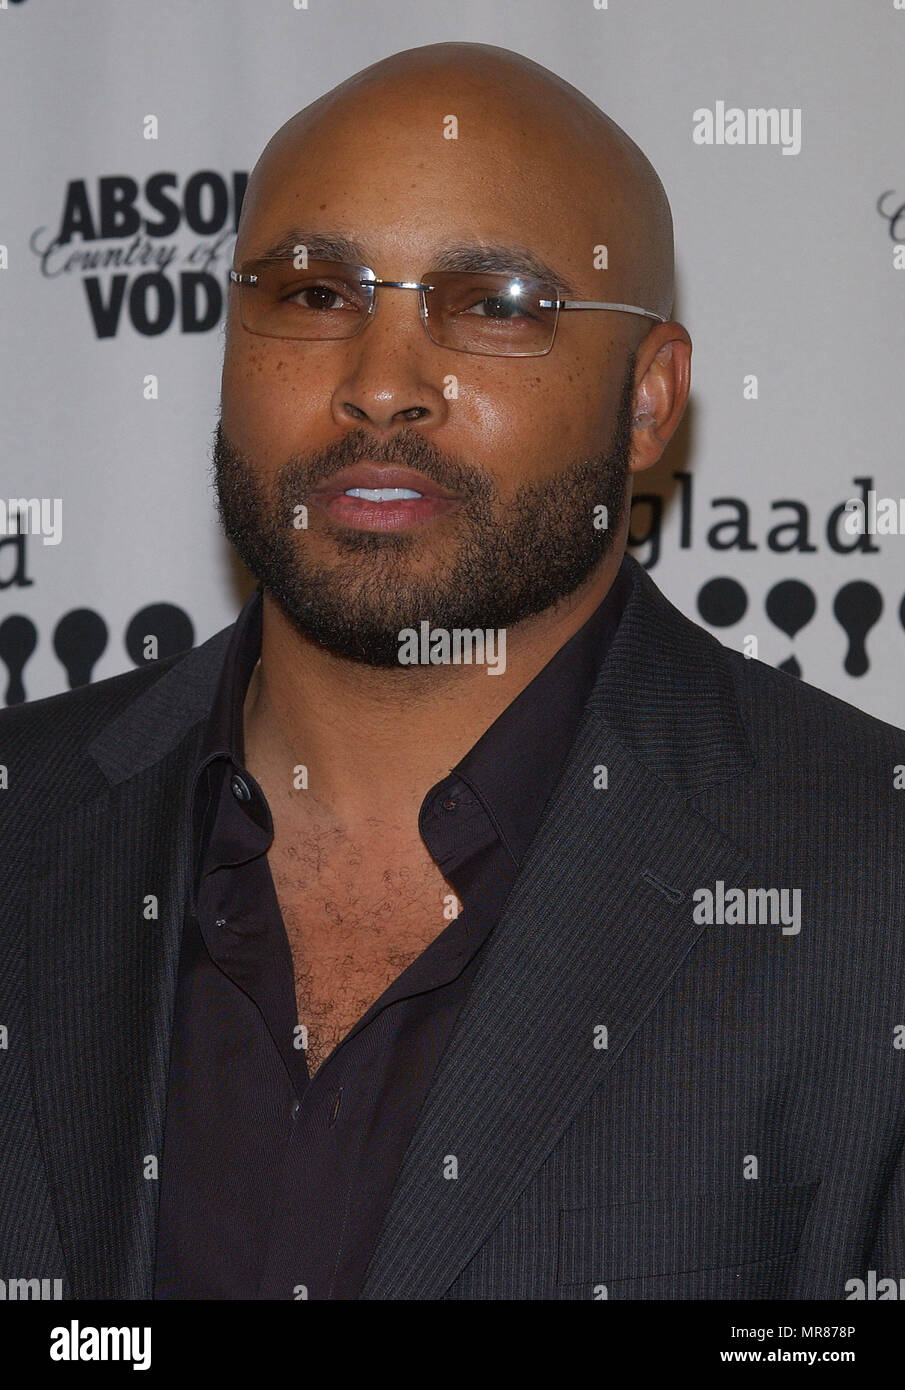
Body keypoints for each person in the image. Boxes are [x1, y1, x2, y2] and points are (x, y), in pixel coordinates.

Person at [1, 41, 903, 1302]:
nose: (379, 386)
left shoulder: (867, 877)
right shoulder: (24, 817)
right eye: (316, 294)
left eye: (492, 306)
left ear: (648, 399)